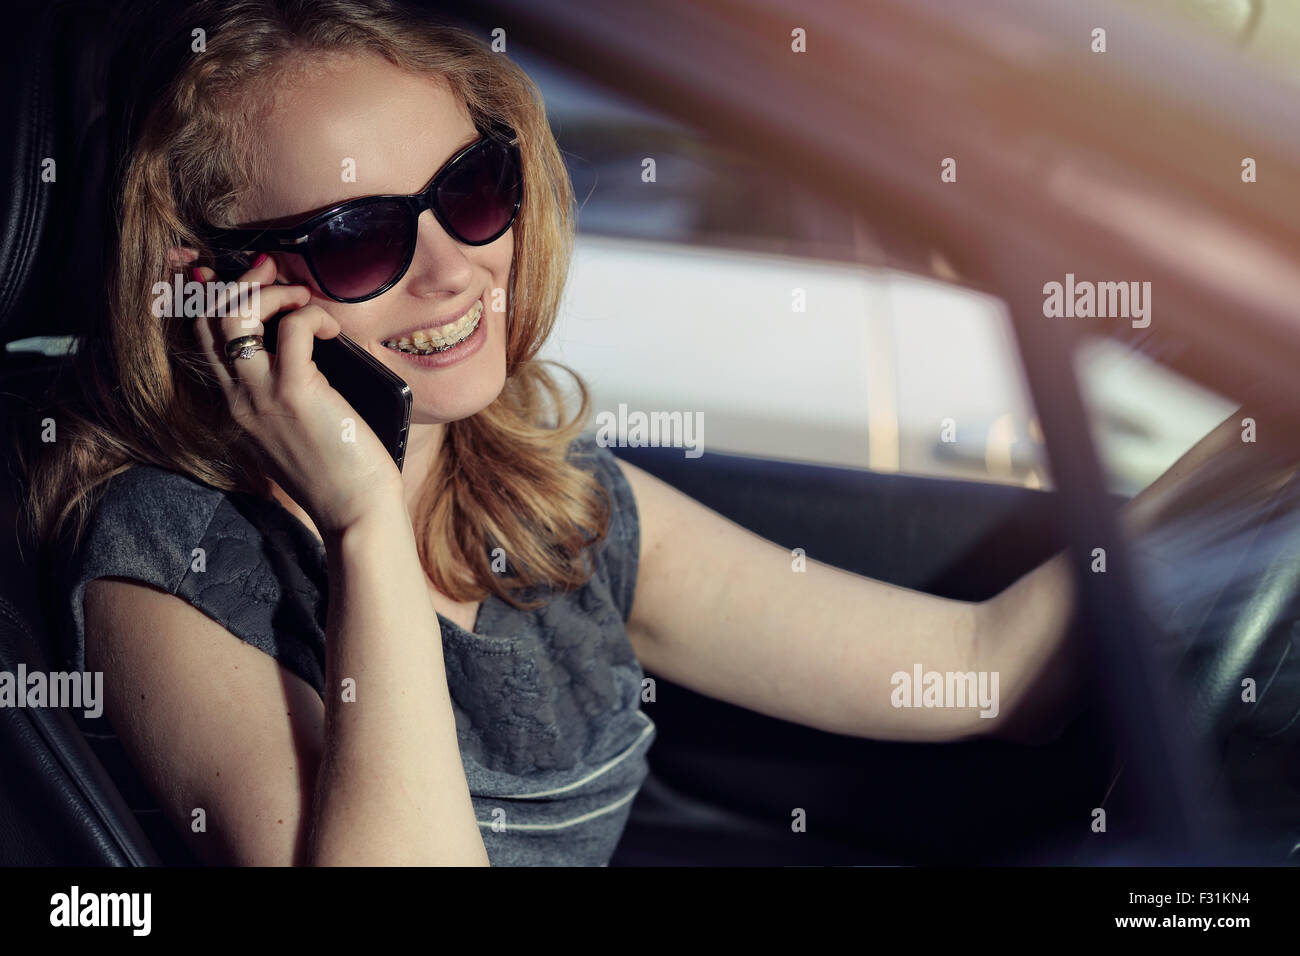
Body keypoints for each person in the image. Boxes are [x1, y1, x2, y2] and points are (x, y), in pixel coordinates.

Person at [16, 0, 1231, 866]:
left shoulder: (543, 494)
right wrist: (364, 524)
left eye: (471, 193)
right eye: (357, 237)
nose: (453, 272)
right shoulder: (165, 560)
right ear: (223, 289)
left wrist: (1248, 449)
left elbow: (982, 668)